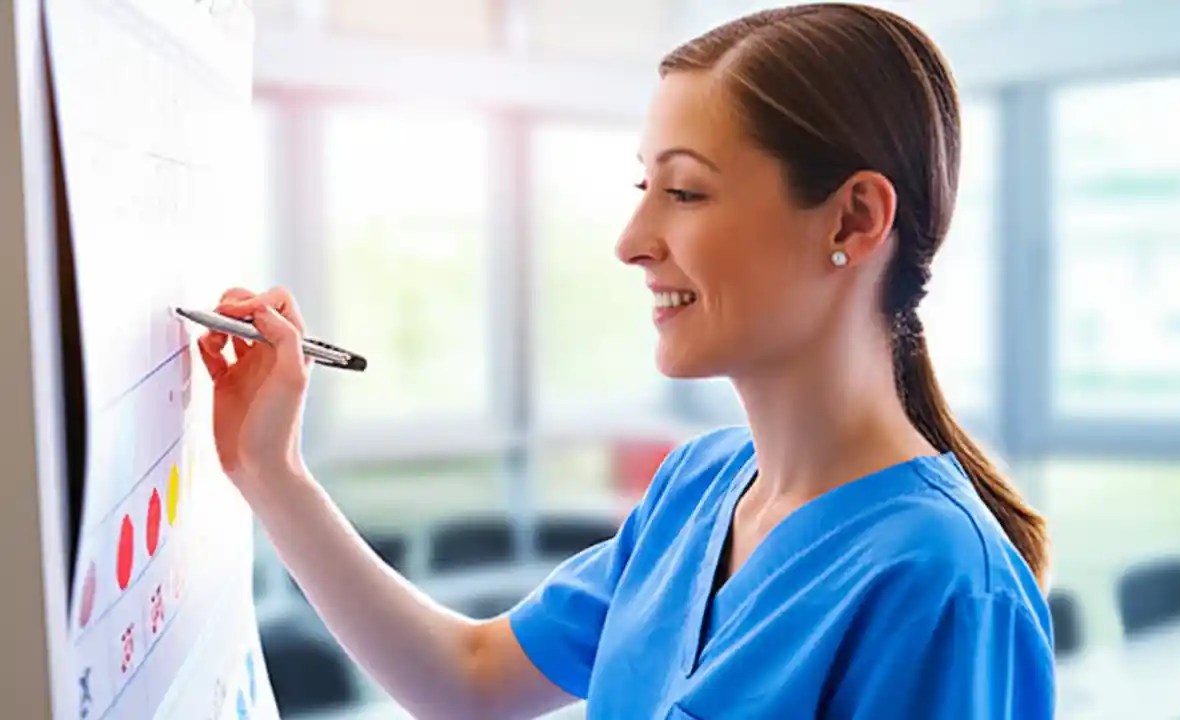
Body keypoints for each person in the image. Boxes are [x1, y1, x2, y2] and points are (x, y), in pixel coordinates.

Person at [198, 4, 1054, 718]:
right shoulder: (697, 489)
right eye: (642, 187)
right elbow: (466, 679)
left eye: (684, 191)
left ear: (852, 220)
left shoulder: (945, 589)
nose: (631, 242)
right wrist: (270, 470)